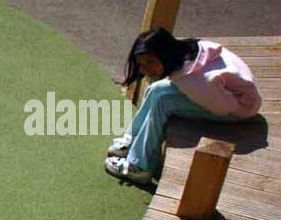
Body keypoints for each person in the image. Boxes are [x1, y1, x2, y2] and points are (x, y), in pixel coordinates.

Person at [106, 28, 262, 184]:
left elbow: (224, 108)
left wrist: (196, 97)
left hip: (239, 108)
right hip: (226, 92)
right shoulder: (189, 48)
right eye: (141, 64)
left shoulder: (194, 82)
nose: (145, 69)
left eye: (151, 62)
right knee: (156, 89)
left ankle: (139, 167)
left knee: (164, 102)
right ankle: (132, 139)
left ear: (165, 55)